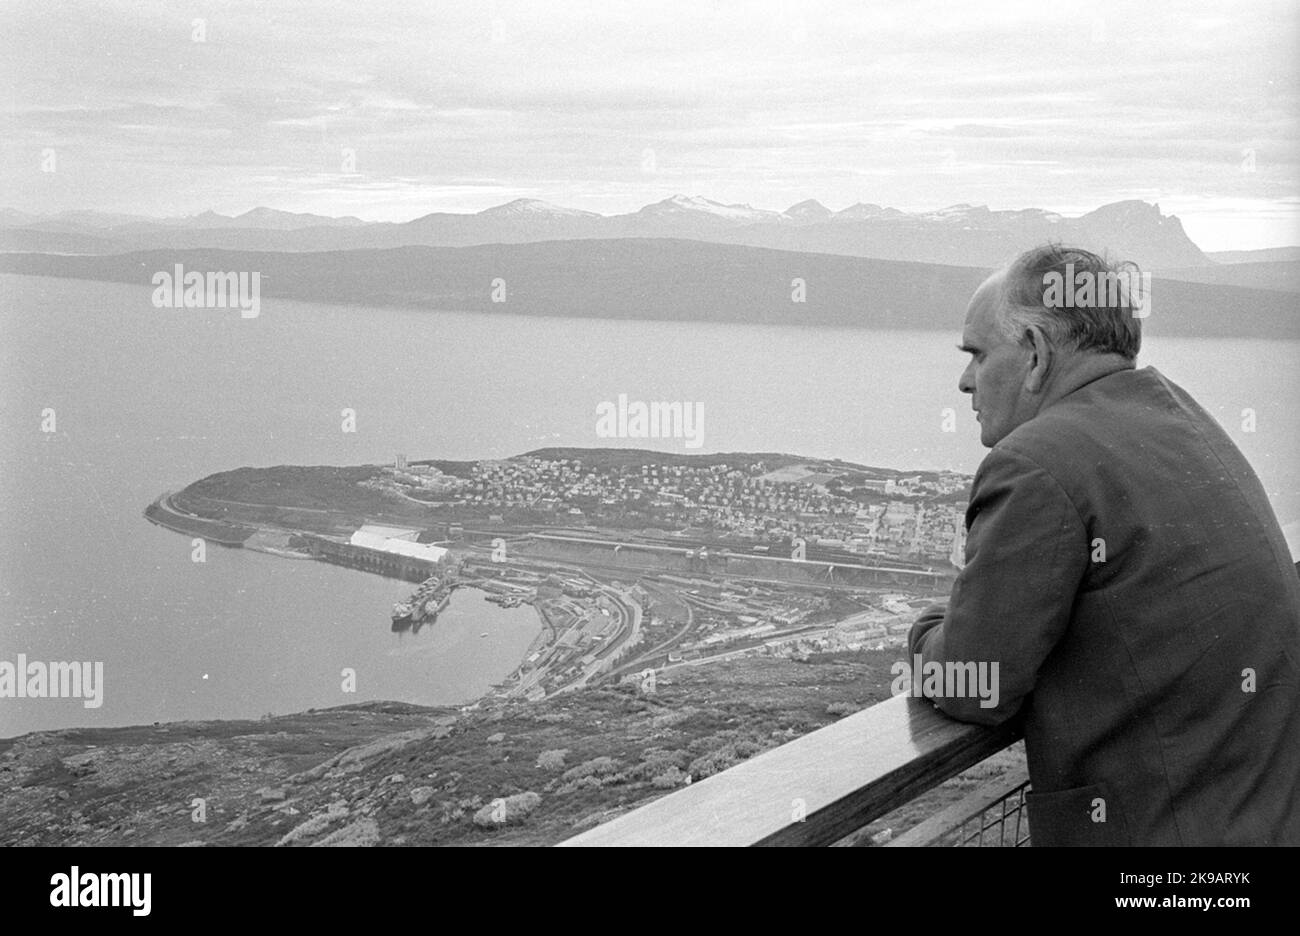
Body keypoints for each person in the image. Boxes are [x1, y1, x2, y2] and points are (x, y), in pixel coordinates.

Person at [908, 244, 1300, 846]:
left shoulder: (1038, 463)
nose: (965, 381)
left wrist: (927, 630)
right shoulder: (1185, 420)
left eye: (978, 355)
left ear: (1035, 355)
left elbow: (974, 681)